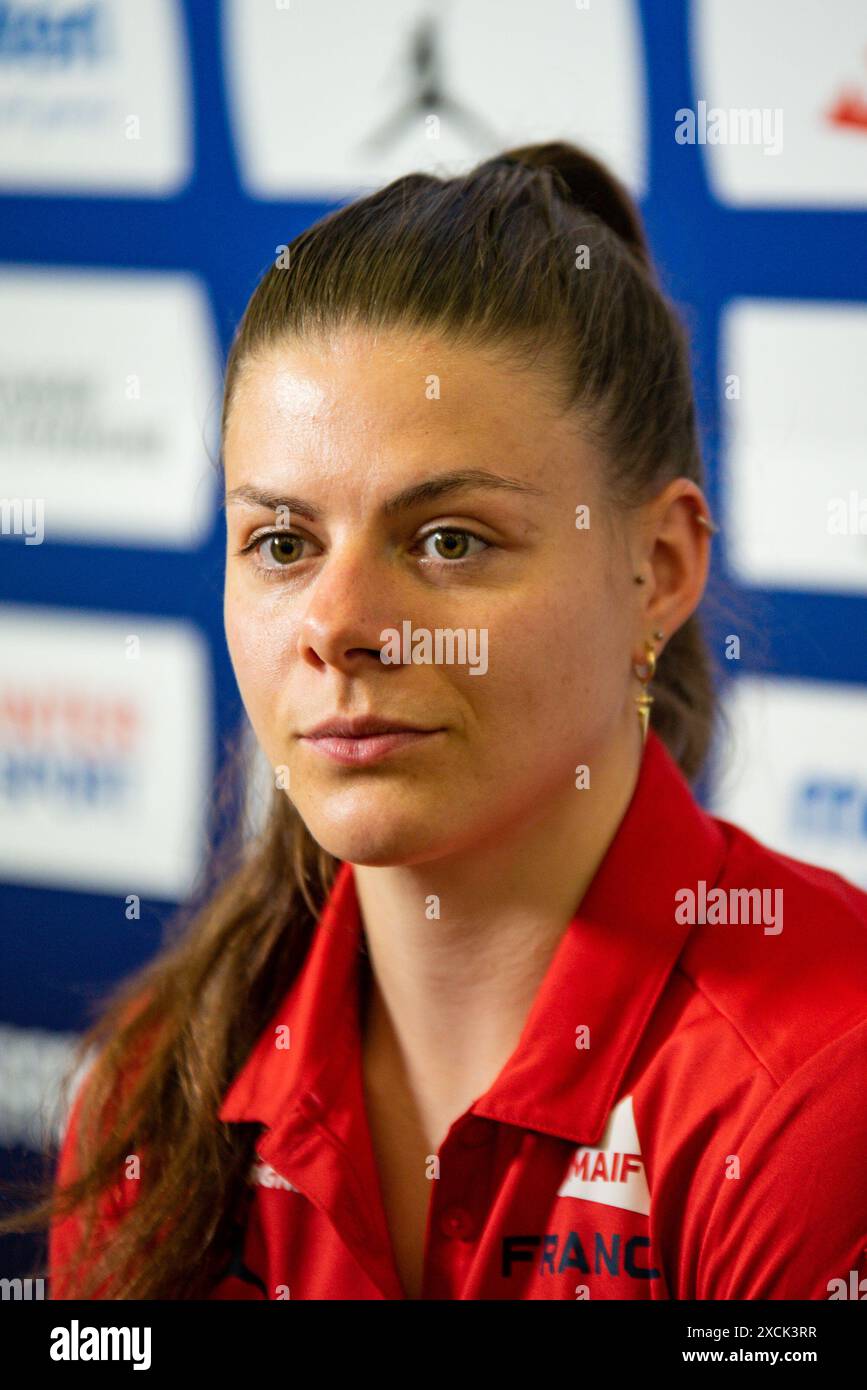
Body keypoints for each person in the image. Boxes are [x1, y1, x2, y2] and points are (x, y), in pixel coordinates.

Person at [9, 141, 867, 1300]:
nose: (339, 625)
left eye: (448, 539)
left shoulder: (826, 1091)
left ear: (657, 570)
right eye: (282, 543)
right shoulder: (158, 1081)